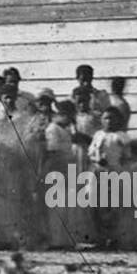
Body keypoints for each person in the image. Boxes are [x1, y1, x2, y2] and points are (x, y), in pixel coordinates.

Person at [0, 81, 47, 248]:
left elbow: (28, 139)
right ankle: (3, 236)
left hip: (20, 162)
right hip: (1, 161)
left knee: (21, 198)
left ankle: (23, 237)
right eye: (5, 98)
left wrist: (21, 153)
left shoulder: (23, 118)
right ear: (1, 99)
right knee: (2, 199)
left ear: (16, 98)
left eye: (11, 97)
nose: (8, 101)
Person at [44, 99, 90, 247]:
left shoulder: (65, 129)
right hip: (58, 169)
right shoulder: (53, 129)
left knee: (66, 205)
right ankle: (56, 238)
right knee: (57, 205)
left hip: (67, 167)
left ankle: (65, 238)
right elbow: (53, 152)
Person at [88, 106, 133, 247]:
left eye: (113, 118)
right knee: (96, 204)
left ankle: (114, 237)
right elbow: (90, 152)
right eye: (106, 118)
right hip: (97, 172)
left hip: (115, 172)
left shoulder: (121, 136)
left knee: (113, 206)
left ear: (119, 121)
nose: (109, 121)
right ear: (101, 120)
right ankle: (100, 236)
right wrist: (96, 160)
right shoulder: (98, 135)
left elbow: (128, 156)